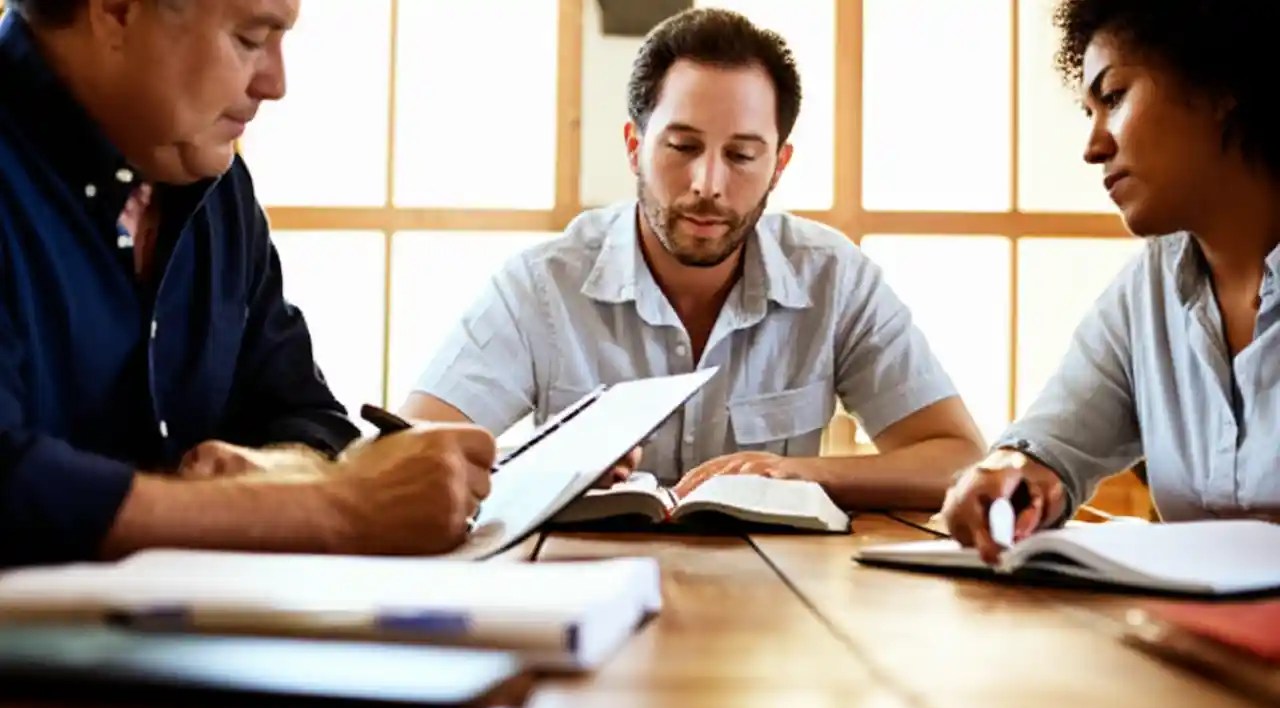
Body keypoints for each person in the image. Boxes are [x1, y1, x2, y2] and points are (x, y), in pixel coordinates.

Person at [402, 8, 986, 510]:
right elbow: (409, 451)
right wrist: (546, 467)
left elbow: (958, 459)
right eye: (682, 147)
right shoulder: (541, 285)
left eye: (742, 155)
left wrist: (798, 474)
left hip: (777, 593)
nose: (708, 183)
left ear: (778, 166)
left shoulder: (835, 278)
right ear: (635, 147)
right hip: (582, 582)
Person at [0, 0, 493, 568]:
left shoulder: (213, 186)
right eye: (251, 39)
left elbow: (306, 414)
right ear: (117, 11)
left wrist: (270, 470)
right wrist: (340, 510)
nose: (275, 84)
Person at [941, 0, 1280, 562]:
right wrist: (1008, 475)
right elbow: (1052, 444)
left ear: (1222, 82)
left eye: (1115, 97)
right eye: (1089, 113)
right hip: (1194, 616)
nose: (1093, 147)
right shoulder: (1147, 289)